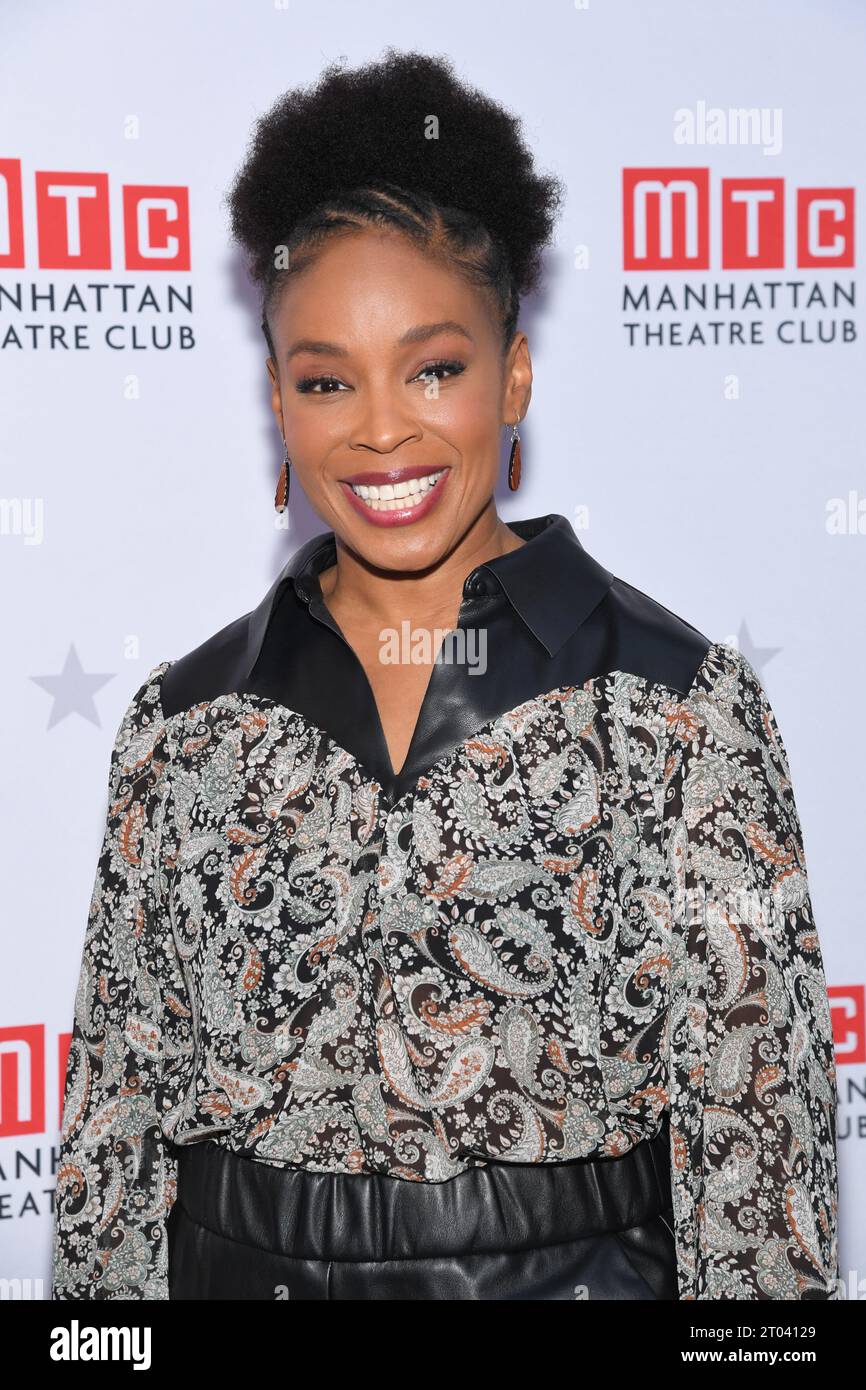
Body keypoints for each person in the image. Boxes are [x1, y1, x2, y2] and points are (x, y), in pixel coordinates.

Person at [50, 48, 839, 1301]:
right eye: (325, 380)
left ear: (511, 375)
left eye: (432, 367)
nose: (378, 429)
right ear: (277, 400)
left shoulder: (678, 709)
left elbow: (760, 1164)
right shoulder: (179, 729)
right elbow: (108, 1163)